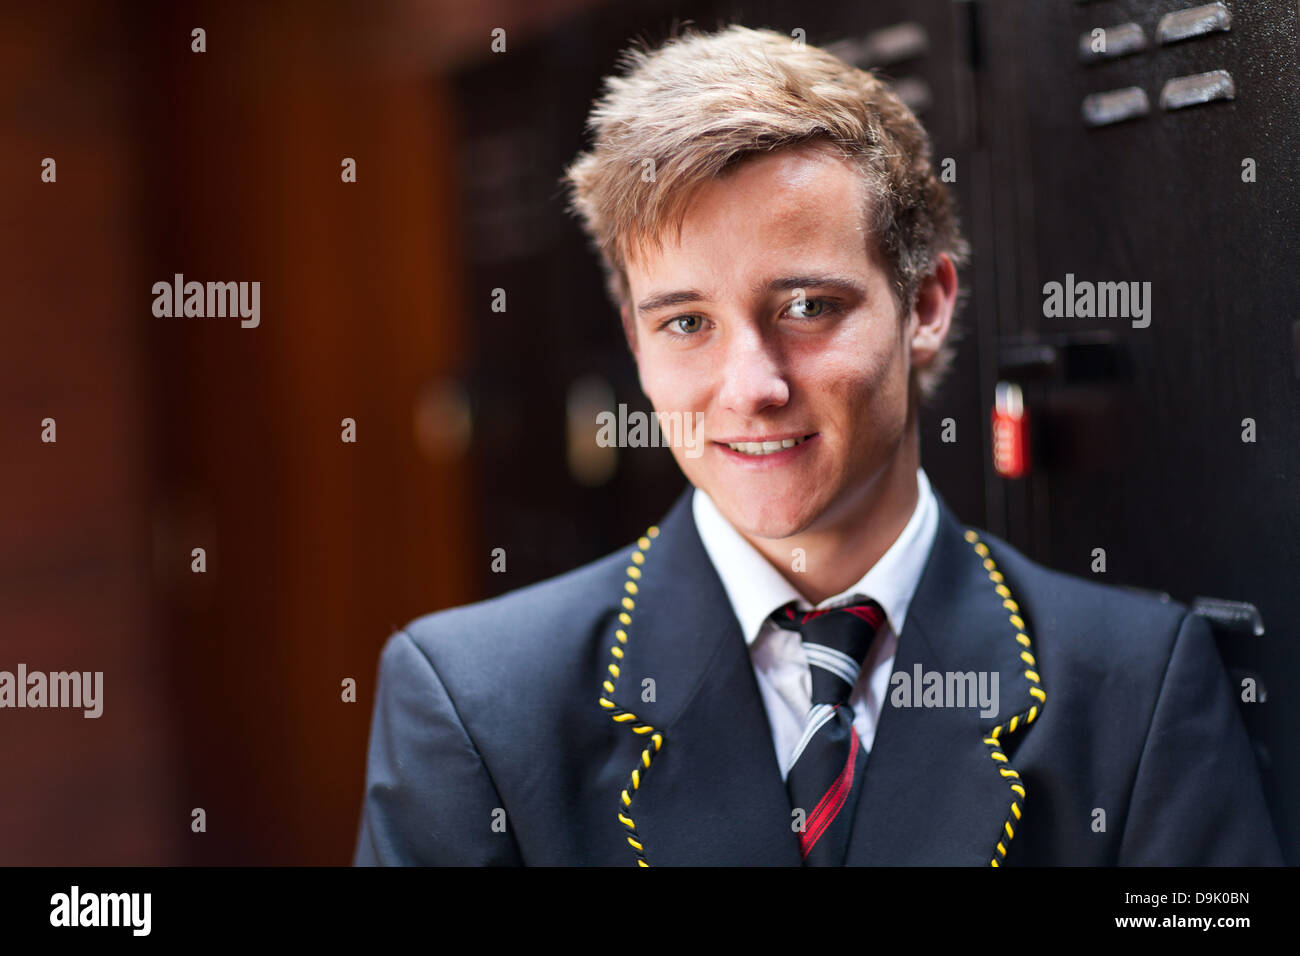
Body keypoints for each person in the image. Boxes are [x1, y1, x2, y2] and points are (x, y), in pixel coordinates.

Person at [352, 24, 1282, 866]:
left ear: (925, 304)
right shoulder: (474, 704)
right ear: (633, 342)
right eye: (685, 324)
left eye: (806, 307)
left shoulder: (1136, 686)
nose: (752, 388)